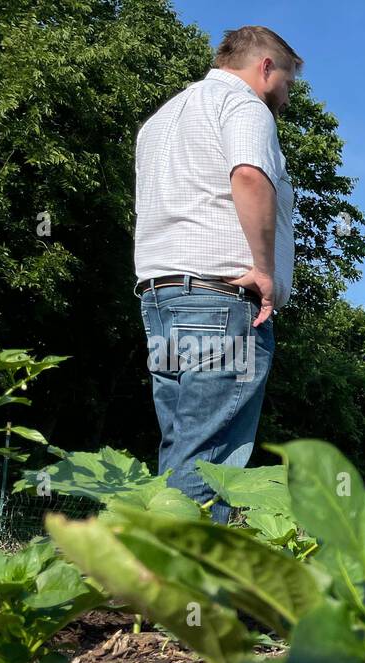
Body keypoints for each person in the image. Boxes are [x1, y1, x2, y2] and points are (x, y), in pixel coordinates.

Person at [133, 26, 299, 522]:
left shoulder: (160, 119)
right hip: (221, 304)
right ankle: (174, 587)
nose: (287, 96)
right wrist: (265, 270)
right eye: (288, 81)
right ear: (265, 66)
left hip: (162, 302)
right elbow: (249, 174)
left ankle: (156, 580)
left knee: (183, 444)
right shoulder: (244, 106)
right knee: (209, 460)